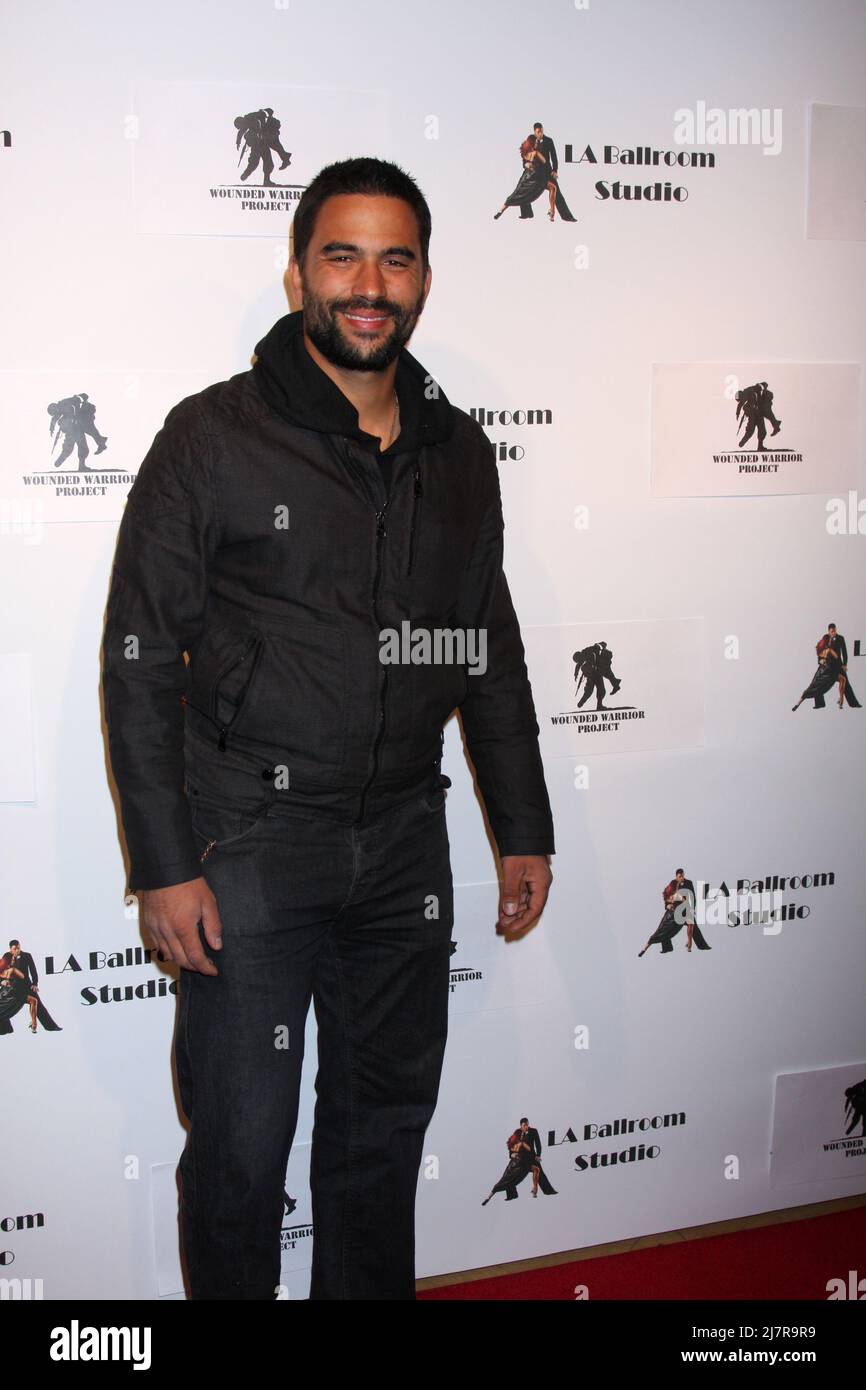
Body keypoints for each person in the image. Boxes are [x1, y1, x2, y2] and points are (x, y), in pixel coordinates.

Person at [101, 156, 555, 1301]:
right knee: (244, 1156)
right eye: (342, 254)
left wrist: (522, 827)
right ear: (298, 269)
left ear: (424, 280)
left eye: (392, 258)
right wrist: (162, 864)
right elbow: (143, 660)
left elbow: (480, 646)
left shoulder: (457, 453)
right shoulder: (213, 437)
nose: (368, 282)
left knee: (377, 1140)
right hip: (248, 844)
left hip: (403, 839)